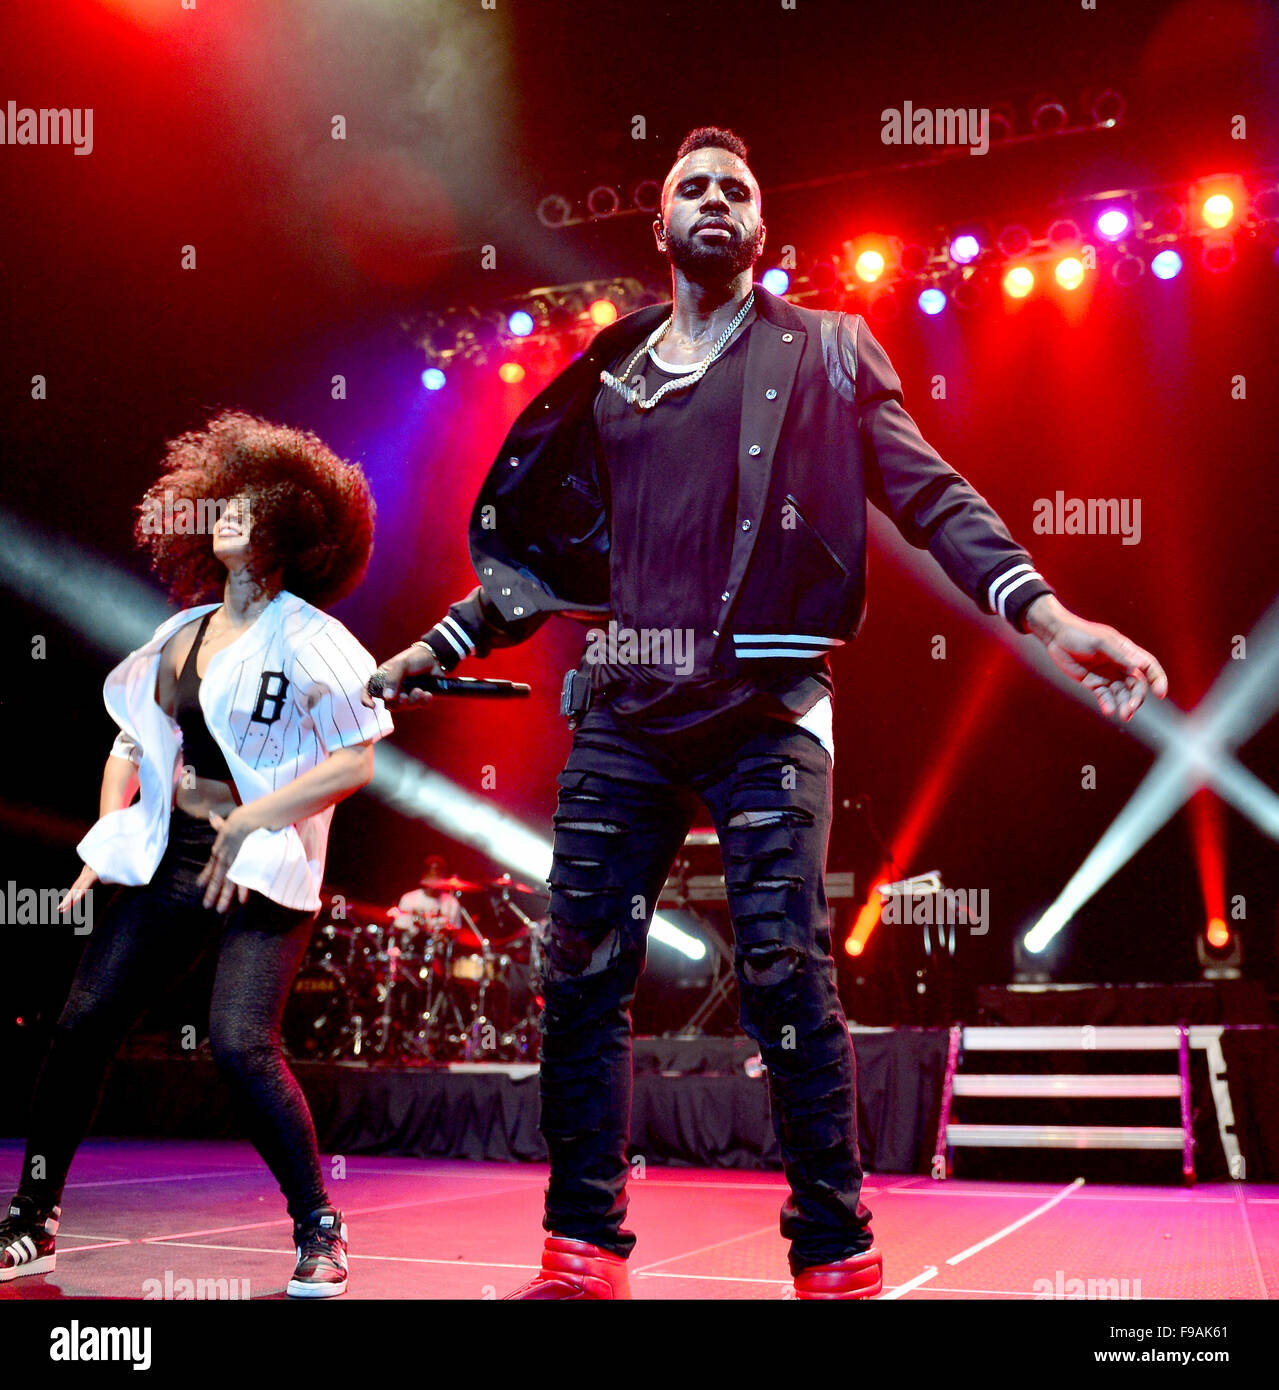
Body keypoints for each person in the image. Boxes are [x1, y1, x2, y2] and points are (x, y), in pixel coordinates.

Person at [368, 127, 1167, 1299]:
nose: (711, 200)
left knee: (787, 969)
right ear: (658, 225)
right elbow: (534, 568)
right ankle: (580, 1244)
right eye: (688, 185)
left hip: (767, 705)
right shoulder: (618, 367)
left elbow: (927, 494)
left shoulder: (829, 353)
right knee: (580, 966)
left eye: (734, 188)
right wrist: (425, 650)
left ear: (760, 228)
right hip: (626, 708)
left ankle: (833, 1246)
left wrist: (1048, 615)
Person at [1, 411, 393, 1298]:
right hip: (174, 860)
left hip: (260, 871)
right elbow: (128, 746)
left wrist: (261, 819)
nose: (227, 516)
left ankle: (318, 1227)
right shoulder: (179, 635)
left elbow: (356, 756)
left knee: (238, 1045)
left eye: (250, 508)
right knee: (80, 1024)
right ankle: (34, 1218)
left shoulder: (309, 637)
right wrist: (106, 843)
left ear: (289, 530)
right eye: (224, 502)